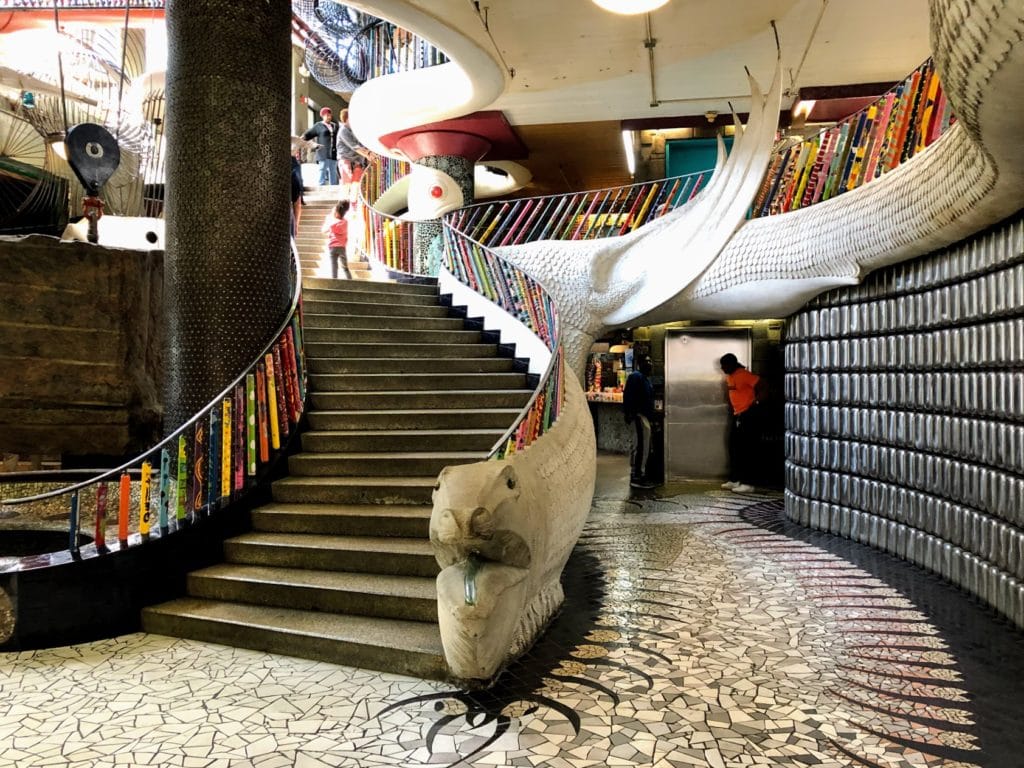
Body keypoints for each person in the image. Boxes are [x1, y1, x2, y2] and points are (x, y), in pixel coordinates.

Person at [719, 353, 765, 493]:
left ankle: (748, 483)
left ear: (732, 364)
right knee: (734, 447)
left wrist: (755, 403)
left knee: (747, 449)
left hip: (748, 415)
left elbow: (763, 386)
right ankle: (735, 480)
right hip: (738, 415)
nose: (722, 368)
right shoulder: (730, 377)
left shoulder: (744, 375)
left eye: (724, 365)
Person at [623, 355, 657, 489]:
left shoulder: (644, 378)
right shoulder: (636, 377)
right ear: (640, 364)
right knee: (641, 445)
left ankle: (639, 473)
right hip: (638, 415)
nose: (650, 364)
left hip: (643, 416)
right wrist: (630, 414)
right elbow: (629, 397)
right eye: (647, 361)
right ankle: (637, 475)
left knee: (644, 445)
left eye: (651, 361)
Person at [302, 107, 339, 186]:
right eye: (327, 115)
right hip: (323, 152)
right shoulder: (318, 125)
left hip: (333, 153)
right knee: (322, 169)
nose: (329, 117)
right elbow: (308, 134)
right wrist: (300, 140)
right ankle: (321, 186)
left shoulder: (335, 126)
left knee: (333, 170)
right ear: (322, 116)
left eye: (330, 115)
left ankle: (334, 187)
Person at [336, 108, 371, 187]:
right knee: (347, 183)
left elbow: (362, 144)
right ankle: (345, 199)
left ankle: (353, 200)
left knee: (356, 184)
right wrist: (368, 154)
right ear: (347, 119)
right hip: (346, 160)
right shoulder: (343, 130)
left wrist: (369, 153)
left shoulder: (355, 130)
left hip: (357, 161)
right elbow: (356, 147)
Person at [321, 200, 352, 279]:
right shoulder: (345, 222)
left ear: (336, 212)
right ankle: (350, 281)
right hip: (342, 247)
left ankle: (334, 282)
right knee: (345, 267)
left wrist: (330, 216)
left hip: (332, 247)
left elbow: (323, 230)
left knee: (334, 267)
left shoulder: (332, 222)